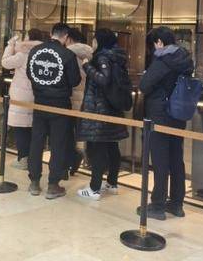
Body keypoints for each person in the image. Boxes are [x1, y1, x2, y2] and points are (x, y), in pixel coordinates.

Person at [137, 26, 193, 220]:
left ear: (159, 42)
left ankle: (158, 205)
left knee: (160, 160)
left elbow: (144, 85)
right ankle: (176, 204)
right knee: (176, 159)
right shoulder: (185, 59)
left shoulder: (163, 60)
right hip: (178, 115)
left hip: (160, 115)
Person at [26, 23, 81, 199]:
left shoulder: (35, 51)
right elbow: (75, 80)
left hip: (39, 102)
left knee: (36, 142)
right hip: (60, 105)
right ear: (66, 37)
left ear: (51, 33)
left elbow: (29, 74)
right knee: (58, 144)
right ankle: (53, 185)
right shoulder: (68, 54)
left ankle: (34, 182)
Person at [76, 28, 129, 200]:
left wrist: (87, 66)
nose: (92, 43)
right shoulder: (117, 57)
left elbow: (104, 79)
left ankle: (94, 189)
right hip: (113, 108)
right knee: (112, 146)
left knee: (98, 149)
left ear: (100, 41)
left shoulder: (102, 57)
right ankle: (112, 183)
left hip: (99, 109)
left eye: (94, 39)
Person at [1, 29, 43, 170]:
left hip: (21, 96)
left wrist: (10, 46)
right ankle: (32, 159)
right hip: (37, 95)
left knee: (20, 128)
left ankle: (23, 158)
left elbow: (5, 62)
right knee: (31, 128)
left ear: (28, 37)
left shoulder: (23, 53)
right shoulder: (42, 53)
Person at [65, 27, 92, 177]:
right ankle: (78, 154)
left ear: (69, 39)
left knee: (67, 132)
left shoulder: (68, 53)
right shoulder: (90, 54)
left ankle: (73, 157)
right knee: (77, 130)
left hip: (71, 97)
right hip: (85, 98)